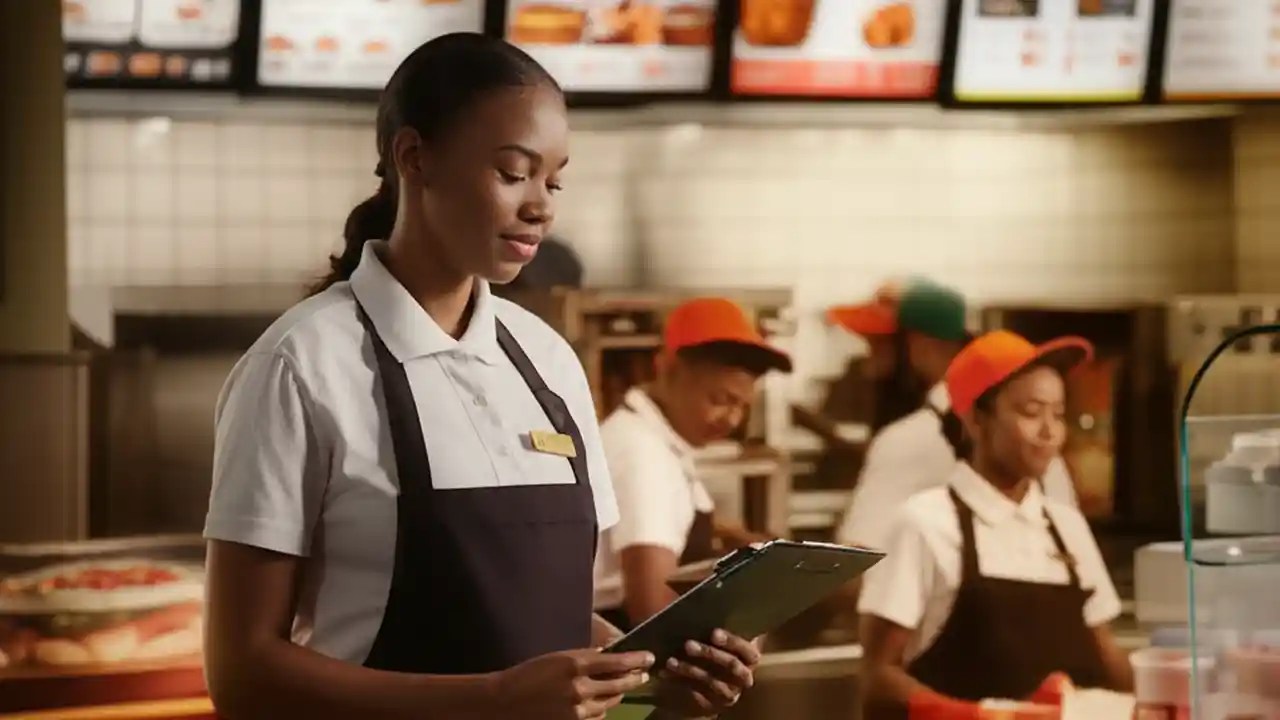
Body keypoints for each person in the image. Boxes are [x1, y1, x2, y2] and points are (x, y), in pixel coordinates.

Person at [201, 33, 758, 720]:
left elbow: (545, 618)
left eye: (554, 180)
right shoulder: (301, 365)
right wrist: (491, 700)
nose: (542, 206)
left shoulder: (549, 362)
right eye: (513, 172)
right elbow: (242, 674)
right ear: (415, 158)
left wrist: (652, 673)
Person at [859, 331, 1134, 719]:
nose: (1049, 431)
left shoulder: (1067, 527)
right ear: (976, 419)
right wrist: (980, 716)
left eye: (1058, 414)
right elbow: (878, 679)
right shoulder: (924, 523)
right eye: (1030, 412)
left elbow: (1107, 655)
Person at [835, 279, 1079, 552]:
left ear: (923, 347)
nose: (869, 367)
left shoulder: (906, 441)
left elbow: (856, 567)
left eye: (880, 347)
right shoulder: (1033, 439)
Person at [594, 297, 791, 628]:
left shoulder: (650, 439)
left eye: (743, 406)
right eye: (720, 399)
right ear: (668, 369)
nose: (731, 419)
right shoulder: (642, 454)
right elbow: (652, 608)